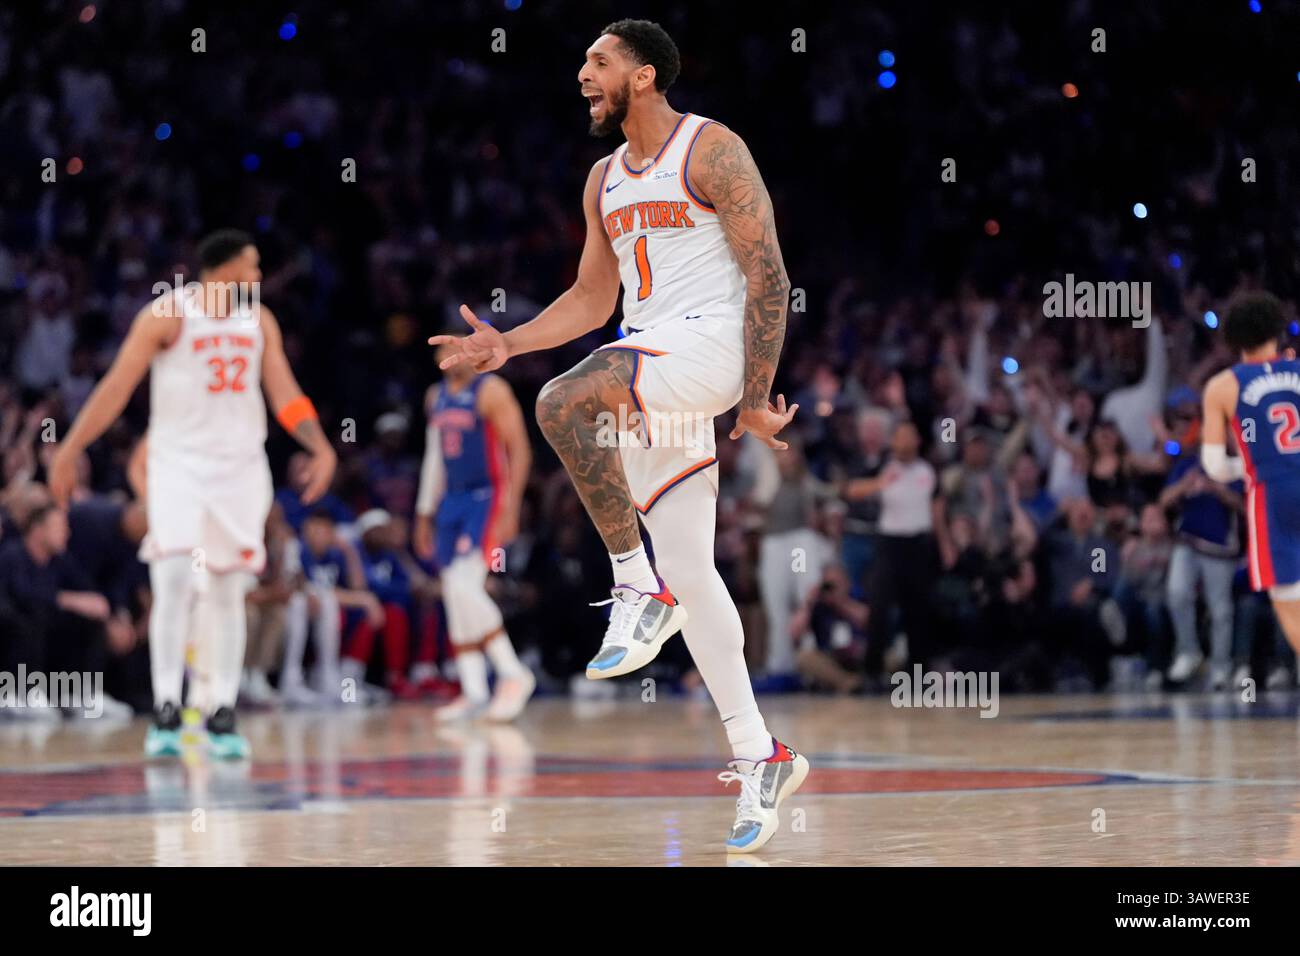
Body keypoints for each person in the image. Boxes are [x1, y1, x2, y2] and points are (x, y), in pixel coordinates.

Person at [428, 19, 807, 852]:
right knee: (695, 570)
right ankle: (760, 751)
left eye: (599, 61)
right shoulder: (604, 178)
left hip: (711, 345)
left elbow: (768, 273)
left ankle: (634, 584)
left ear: (643, 76)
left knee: (564, 404)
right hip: (647, 360)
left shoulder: (710, 149)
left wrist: (750, 397)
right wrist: (509, 342)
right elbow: (593, 298)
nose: (582, 73)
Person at [48, 228, 337, 759]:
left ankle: (221, 712)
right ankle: (166, 708)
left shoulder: (259, 321)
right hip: (178, 464)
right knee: (175, 575)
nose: (256, 277)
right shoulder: (168, 314)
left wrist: (320, 446)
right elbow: (116, 386)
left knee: (228, 590)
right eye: (250, 267)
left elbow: (285, 393)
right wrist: (69, 448)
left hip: (240, 468)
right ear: (222, 268)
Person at [415, 343, 535, 722]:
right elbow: (434, 457)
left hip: (487, 497)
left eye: (456, 344)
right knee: (453, 591)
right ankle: (474, 690)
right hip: (451, 499)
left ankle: (513, 673)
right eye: (442, 346)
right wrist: (423, 512)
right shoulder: (434, 396)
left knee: (465, 587)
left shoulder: (492, 391)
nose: (449, 352)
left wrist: (513, 505)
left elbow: (520, 450)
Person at [1201, 291, 1300, 657]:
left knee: (1288, 598)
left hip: (1272, 493)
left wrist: (1250, 467)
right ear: (1278, 330)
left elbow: (1213, 465)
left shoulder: (1222, 386)